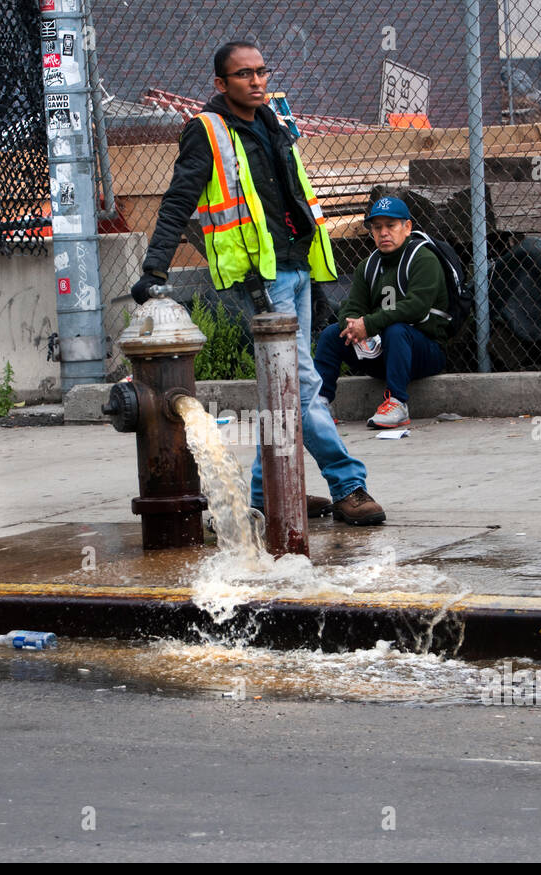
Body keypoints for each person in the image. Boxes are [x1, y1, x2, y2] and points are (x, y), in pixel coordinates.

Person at [130, 41, 384, 526]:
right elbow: (177, 200)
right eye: (244, 74)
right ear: (221, 85)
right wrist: (155, 269)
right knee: (304, 385)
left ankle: (267, 494)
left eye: (261, 71)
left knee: (281, 387)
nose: (257, 80)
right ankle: (348, 483)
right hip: (260, 279)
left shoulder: (274, 122)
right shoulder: (206, 132)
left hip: (298, 266)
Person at [313, 197, 448, 429]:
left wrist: (371, 324)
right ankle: (321, 404)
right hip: (382, 351)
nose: (384, 232)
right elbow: (351, 306)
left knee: (396, 331)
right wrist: (354, 327)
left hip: (424, 352)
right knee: (331, 335)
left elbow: (416, 307)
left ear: (407, 228)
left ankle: (397, 403)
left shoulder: (423, 259)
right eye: (377, 227)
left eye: (391, 225)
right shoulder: (368, 265)